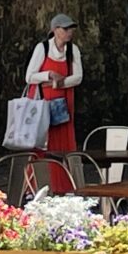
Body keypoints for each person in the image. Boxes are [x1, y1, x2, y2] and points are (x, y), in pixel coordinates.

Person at [27, 14, 83, 191]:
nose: (69, 32)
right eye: (65, 29)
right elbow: (30, 76)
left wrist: (59, 83)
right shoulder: (42, 48)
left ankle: (65, 183)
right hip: (44, 100)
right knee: (43, 142)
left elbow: (78, 77)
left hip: (64, 101)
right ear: (55, 30)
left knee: (64, 140)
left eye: (70, 29)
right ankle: (38, 183)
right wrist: (49, 75)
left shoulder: (73, 50)